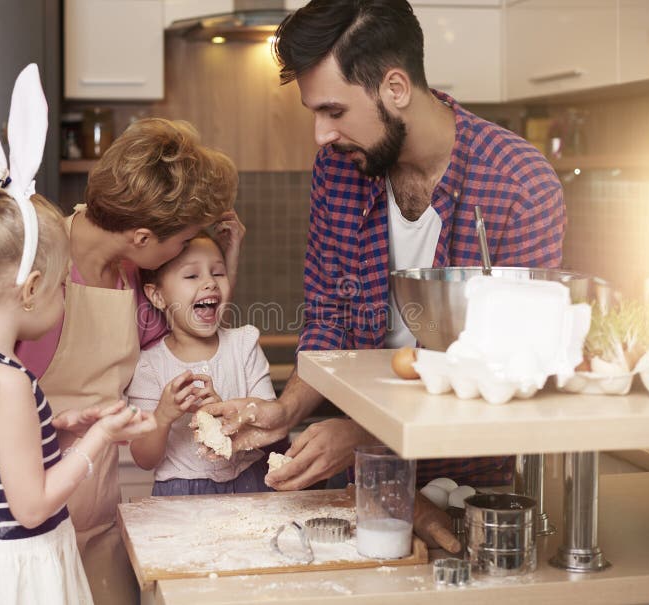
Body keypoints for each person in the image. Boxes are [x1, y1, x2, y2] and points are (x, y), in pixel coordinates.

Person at [201, 0, 566, 545]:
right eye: (315, 114)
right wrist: (286, 408)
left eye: (334, 111)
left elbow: (509, 369)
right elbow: (328, 316)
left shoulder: (518, 185)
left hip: (473, 495)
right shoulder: (342, 168)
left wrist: (366, 434)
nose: (322, 135)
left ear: (395, 88)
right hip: (363, 487)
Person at [0, 106, 242, 602]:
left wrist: (229, 261)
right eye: (184, 241)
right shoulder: (26, 264)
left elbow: (194, 327)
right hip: (0, 540)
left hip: (92, 521)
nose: (185, 253)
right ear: (143, 238)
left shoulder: (136, 281)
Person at [0, 66, 155, 604]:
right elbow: (30, 505)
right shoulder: (11, 380)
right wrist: (99, 441)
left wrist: (61, 426)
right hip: (16, 574)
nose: (65, 298)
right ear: (32, 290)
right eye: (59, 290)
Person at [127, 232, 277, 495]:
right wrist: (162, 417)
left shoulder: (244, 345)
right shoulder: (149, 366)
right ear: (157, 296)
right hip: (179, 494)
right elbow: (144, 459)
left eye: (218, 273)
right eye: (192, 276)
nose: (210, 282)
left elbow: (272, 425)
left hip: (249, 484)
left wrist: (227, 414)